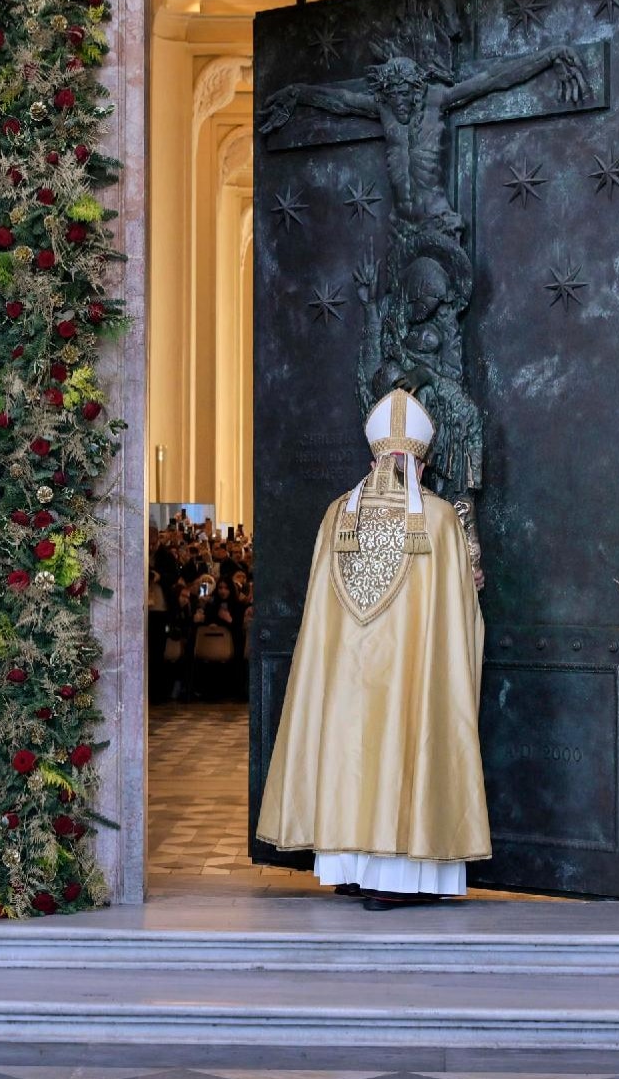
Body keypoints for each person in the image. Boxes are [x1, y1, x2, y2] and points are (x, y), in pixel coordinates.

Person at [255, 389, 488, 910]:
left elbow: (319, 619)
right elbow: (459, 617)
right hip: (411, 680)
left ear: (373, 460)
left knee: (351, 751)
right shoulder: (440, 519)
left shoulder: (338, 514)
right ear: (420, 467)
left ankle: (352, 866)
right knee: (409, 743)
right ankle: (404, 876)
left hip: (345, 680)